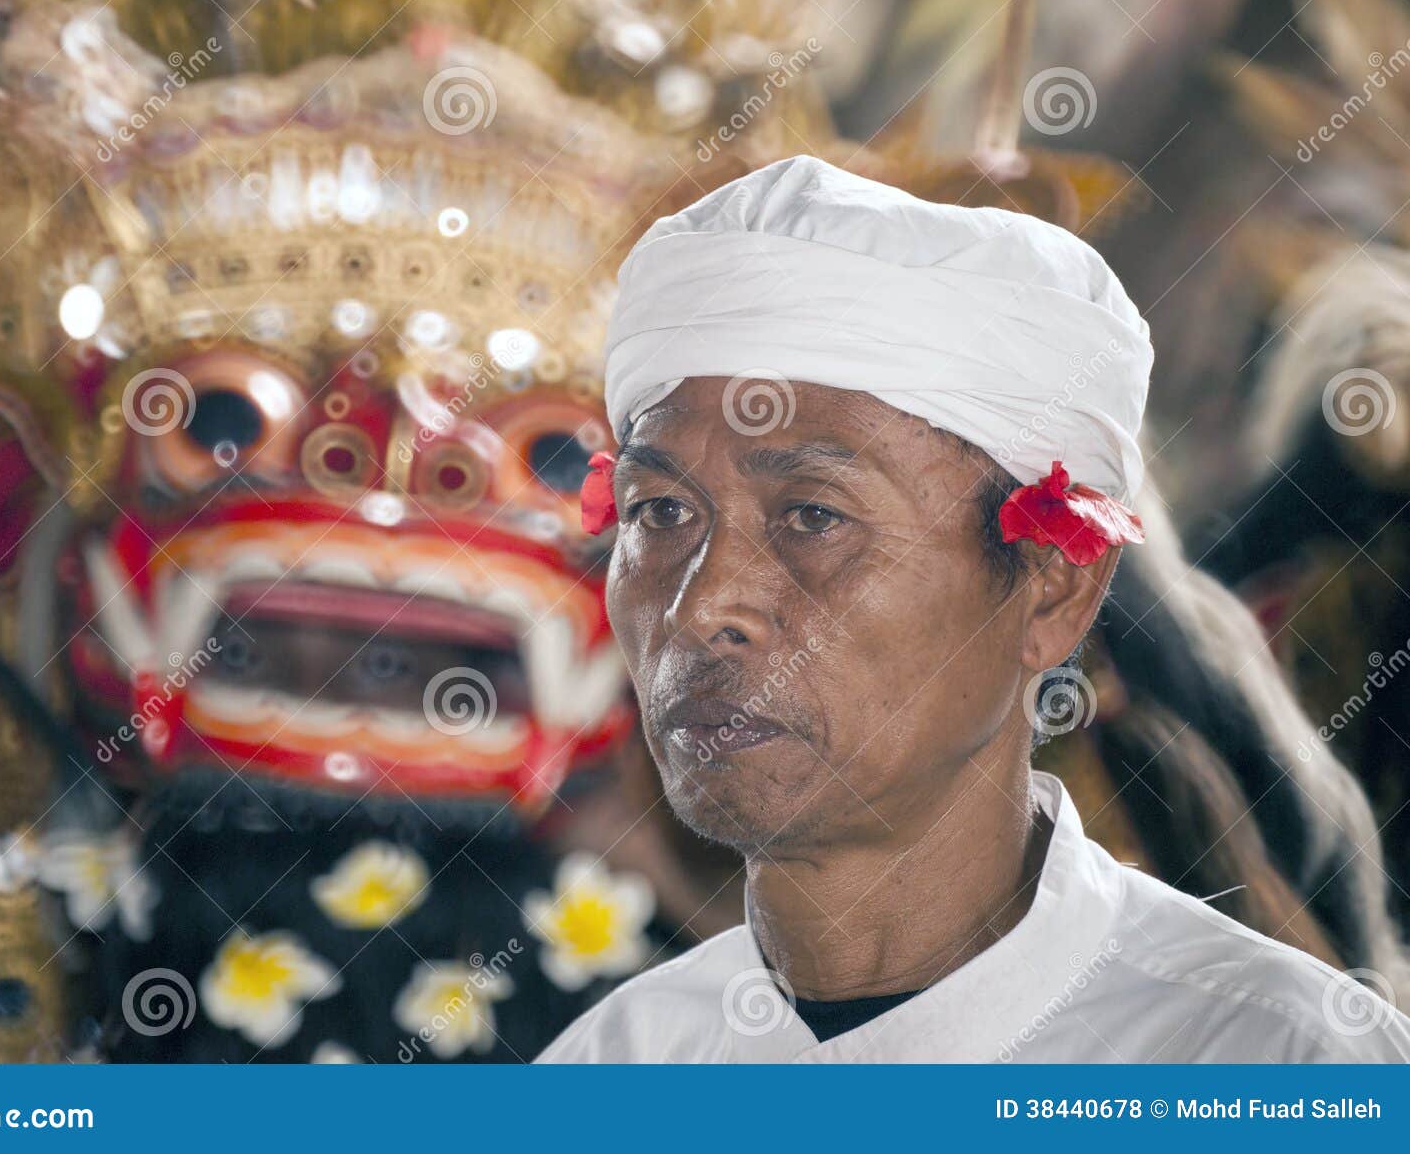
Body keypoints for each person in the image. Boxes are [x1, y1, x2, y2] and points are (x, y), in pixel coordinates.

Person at [537, 154, 1410, 1062]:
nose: (703, 603)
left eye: (813, 517)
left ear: (1053, 587)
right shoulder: (609, 1066)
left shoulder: (1277, 1064)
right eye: (660, 512)